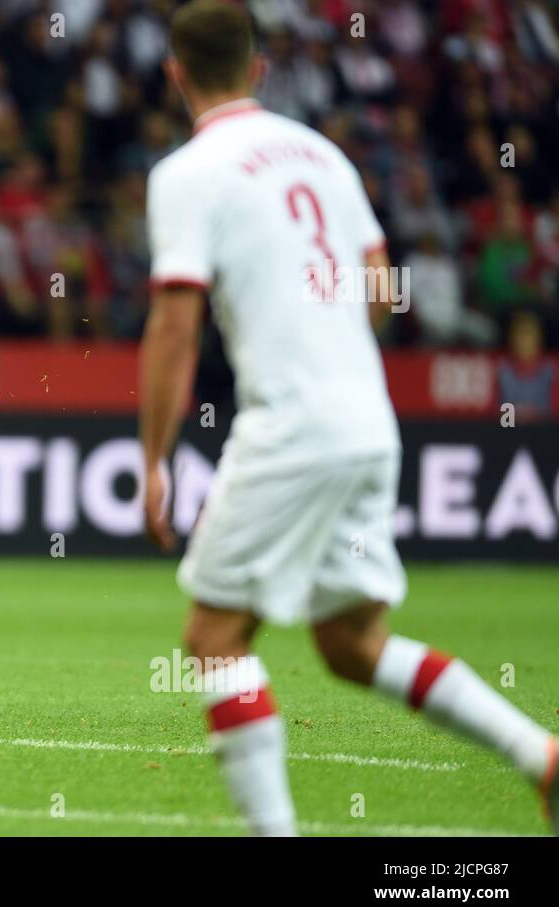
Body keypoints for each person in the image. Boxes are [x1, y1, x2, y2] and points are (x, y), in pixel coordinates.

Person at [139, 1, 556, 836]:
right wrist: (334, 341)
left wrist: (154, 457)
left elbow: (175, 323)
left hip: (292, 425)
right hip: (368, 418)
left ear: (175, 73)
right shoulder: (322, 153)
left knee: (215, 636)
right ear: (260, 69)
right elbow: (379, 275)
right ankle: (541, 756)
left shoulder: (186, 171)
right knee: (352, 643)